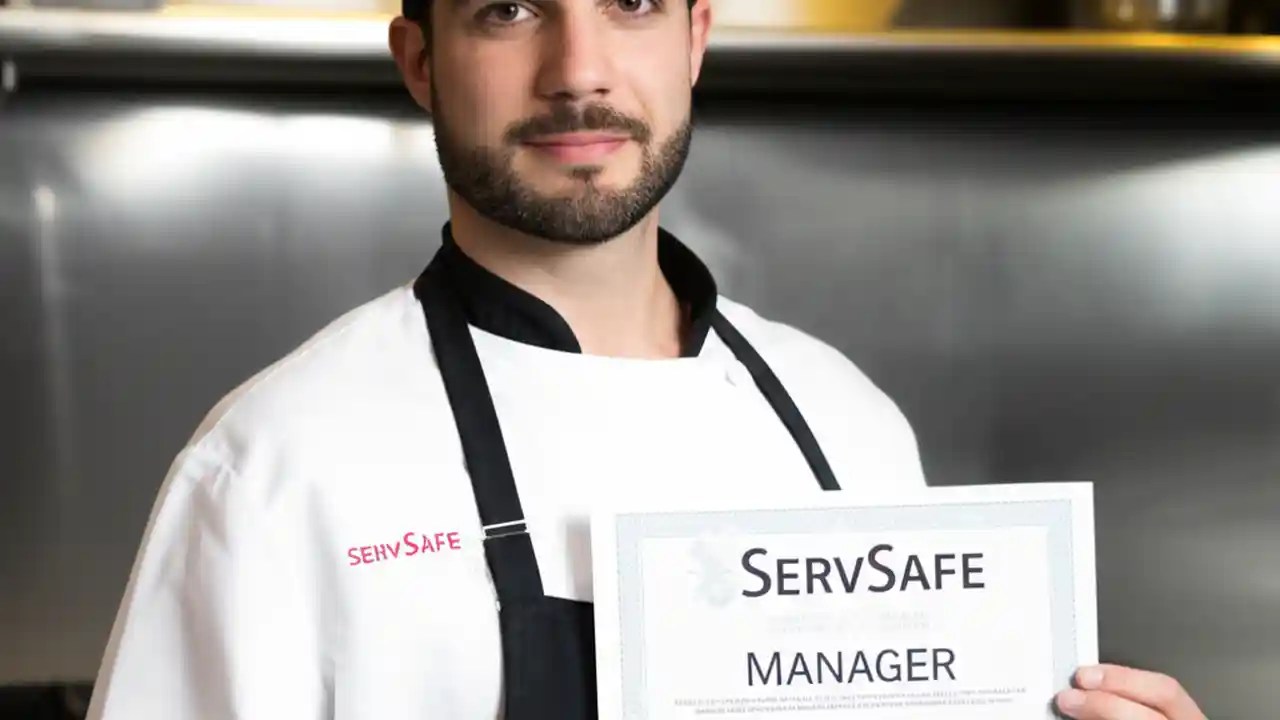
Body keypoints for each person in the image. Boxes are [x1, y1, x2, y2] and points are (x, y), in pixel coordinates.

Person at [84, 1, 1210, 718]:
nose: (578, 70)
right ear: (419, 61)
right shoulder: (277, 465)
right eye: (509, 10)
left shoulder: (843, 421)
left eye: (628, 4)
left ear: (694, 38)